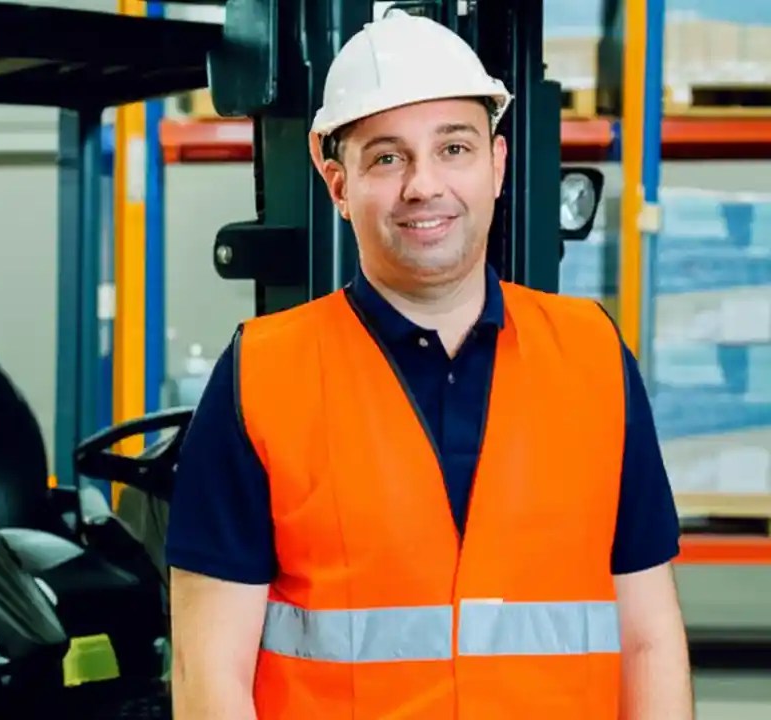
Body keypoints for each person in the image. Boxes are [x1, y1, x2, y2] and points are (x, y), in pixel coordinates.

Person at [165, 9, 692, 719]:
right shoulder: (261, 376)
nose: (423, 185)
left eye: (454, 149)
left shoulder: (593, 357)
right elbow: (208, 676)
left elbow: (650, 641)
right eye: (386, 157)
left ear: (498, 166)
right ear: (337, 184)